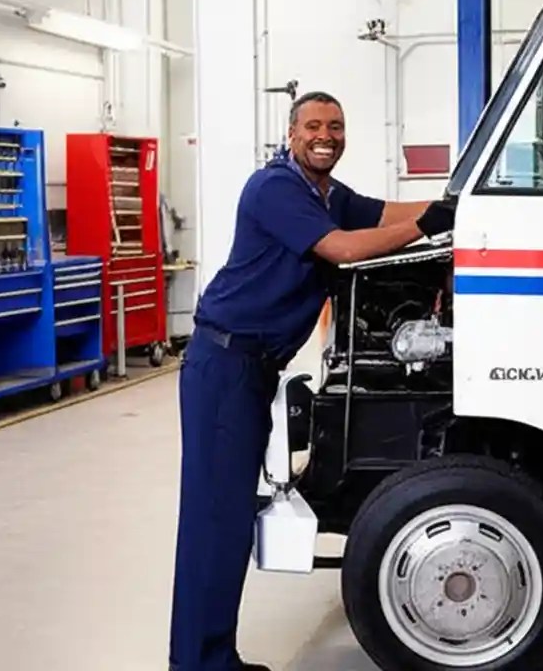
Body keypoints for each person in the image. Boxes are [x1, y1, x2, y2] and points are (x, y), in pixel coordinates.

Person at [168, 90, 455, 671]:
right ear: (292, 133)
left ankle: (214, 657)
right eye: (315, 126)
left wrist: (460, 202)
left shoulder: (326, 193)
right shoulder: (275, 188)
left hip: (251, 367)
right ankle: (197, 664)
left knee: (227, 524)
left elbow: (382, 213)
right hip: (224, 365)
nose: (326, 135)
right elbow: (344, 248)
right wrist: (428, 224)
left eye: (337, 126)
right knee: (215, 523)